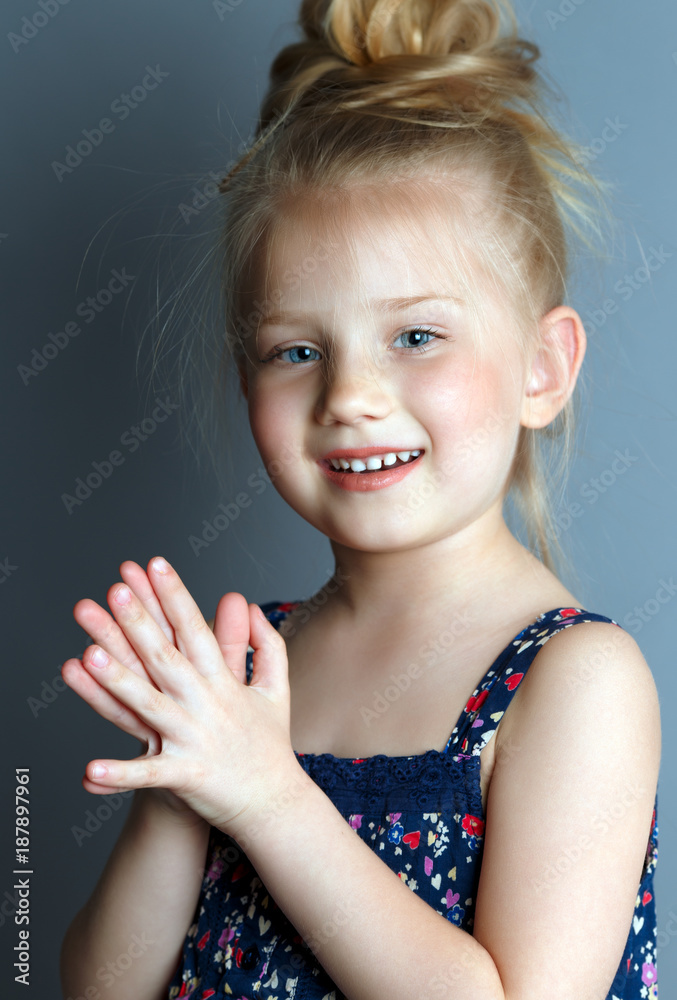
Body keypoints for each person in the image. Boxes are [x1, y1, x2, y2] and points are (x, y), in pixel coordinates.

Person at [59, 1, 661, 998]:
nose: (348, 398)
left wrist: (262, 795)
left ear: (541, 368)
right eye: (296, 351)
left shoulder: (574, 683)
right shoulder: (254, 666)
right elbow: (99, 986)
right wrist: (187, 771)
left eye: (415, 336)